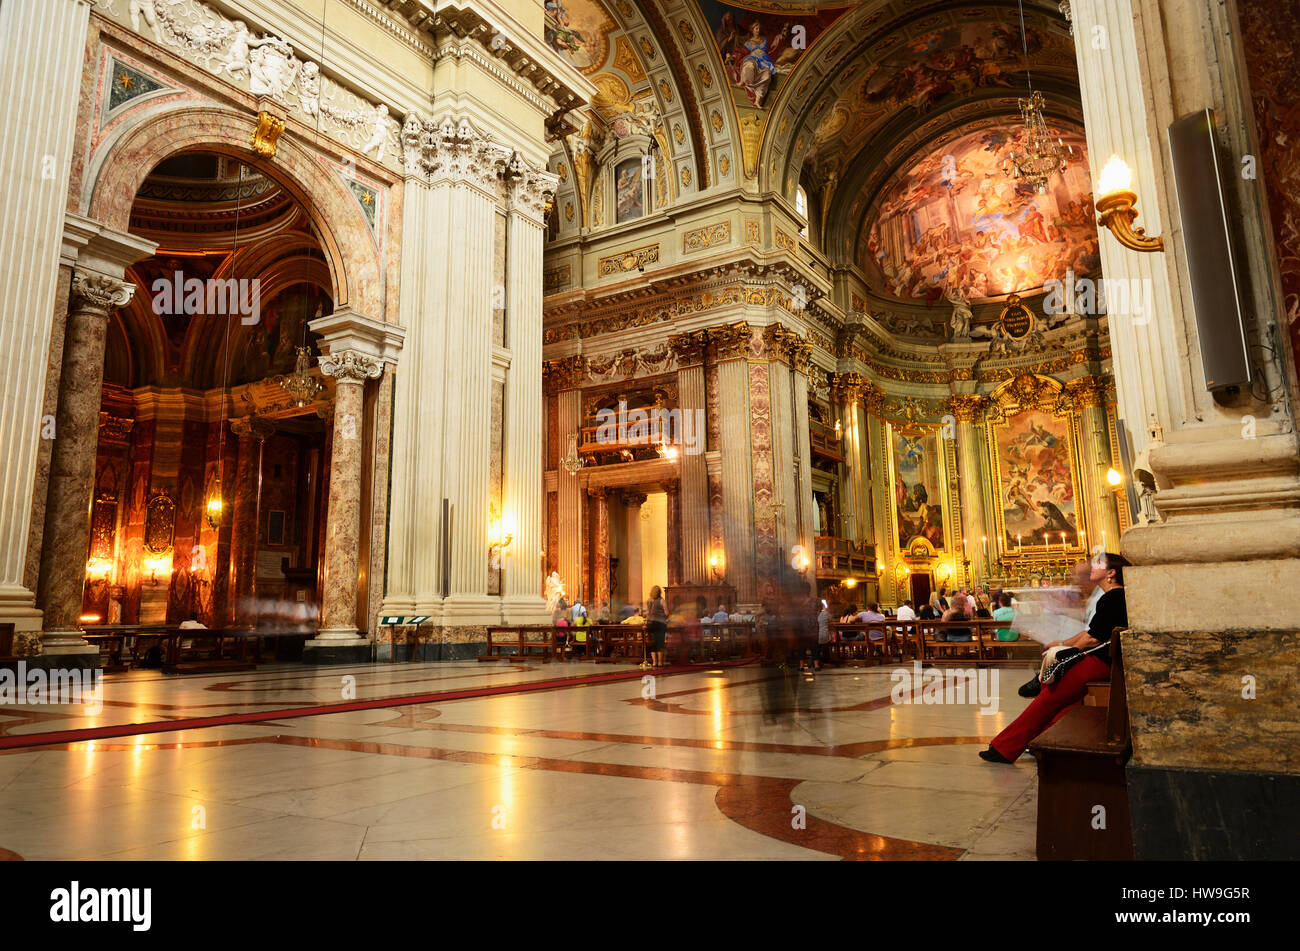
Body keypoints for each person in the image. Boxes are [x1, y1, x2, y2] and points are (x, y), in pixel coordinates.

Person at [981, 553, 1130, 763]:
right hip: (1106, 661)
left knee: (1047, 698)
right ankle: (1046, 742)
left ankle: (1004, 748)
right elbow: (1090, 633)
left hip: (1099, 663)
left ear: (1111, 573)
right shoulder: (1115, 596)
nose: (1092, 568)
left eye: (1098, 564)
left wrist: (1066, 652)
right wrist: (1062, 644)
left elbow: (1092, 639)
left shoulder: (1111, 597)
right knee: (1066, 701)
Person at [1019, 559, 1100, 697]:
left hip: (1093, 652)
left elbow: (1091, 636)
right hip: (1087, 644)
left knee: (1053, 653)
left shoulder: (1100, 596)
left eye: (1080, 576)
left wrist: (1063, 645)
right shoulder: (1093, 595)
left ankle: (1042, 682)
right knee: (1052, 647)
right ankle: (1042, 681)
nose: (1077, 581)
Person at [646, 585, 668, 668]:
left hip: (652, 623)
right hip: (661, 623)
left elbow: (648, 612)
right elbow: (666, 612)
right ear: (659, 592)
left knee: (653, 642)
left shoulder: (649, 601)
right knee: (660, 642)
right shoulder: (662, 601)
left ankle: (654, 662)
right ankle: (659, 662)